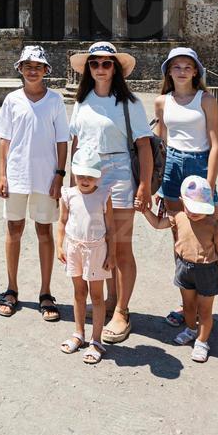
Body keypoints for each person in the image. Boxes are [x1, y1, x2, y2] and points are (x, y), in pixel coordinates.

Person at [151, 47, 218, 351]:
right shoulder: (161, 102)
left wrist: (208, 186)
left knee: (214, 242)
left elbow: (216, 144)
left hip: (198, 166)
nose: (182, 71)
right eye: (176, 67)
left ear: (196, 71)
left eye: (187, 66)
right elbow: (160, 145)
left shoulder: (207, 100)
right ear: (168, 71)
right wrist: (158, 185)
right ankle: (190, 308)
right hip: (172, 169)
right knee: (182, 242)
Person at [67, 41, 153, 345]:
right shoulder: (82, 101)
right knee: (97, 245)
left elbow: (143, 145)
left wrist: (143, 185)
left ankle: (121, 309)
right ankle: (110, 299)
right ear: (88, 69)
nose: (100, 68)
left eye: (106, 63)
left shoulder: (129, 103)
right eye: (95, 63)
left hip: (118, 175)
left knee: (121, 247)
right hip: (88, 177)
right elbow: (75, 145)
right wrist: (70, 186)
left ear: (115, 68)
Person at [0, 45, 70, 321]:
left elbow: (62, 140)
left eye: (38, 66)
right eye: (28, 65)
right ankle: (11, 288)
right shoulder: (12, 100)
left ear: (46, 70)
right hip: (17, 174)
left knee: (44, 232)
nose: (33, 70)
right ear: (20, 69)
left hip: (46, 176)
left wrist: (60, 175)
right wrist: (2, 174)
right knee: (14, 230)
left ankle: (46, 292)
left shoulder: (55, 101)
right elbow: (4, 139)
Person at [140, 174, 218, 363]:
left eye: (199, 209)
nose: (194, 214)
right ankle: (192, 329)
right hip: (184, 268)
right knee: (188, 306)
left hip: (208, 270)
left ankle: (202, 341)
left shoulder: (213, 224)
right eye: (191, 208)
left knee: (205, 310)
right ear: (182, 201)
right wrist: (145, 211)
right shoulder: (178, 217)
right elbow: (158, 224)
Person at [56, 154, 114, 364]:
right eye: (81, 175)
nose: (85, 180)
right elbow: (62, 221)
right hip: (74, 248)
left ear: (98, 177)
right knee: (79, 292)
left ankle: (96, 341)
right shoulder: (68, 194)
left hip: (97, 250)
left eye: (90, 176)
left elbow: (111, 229)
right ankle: (78, 333)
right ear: (75, 173)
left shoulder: (104, 196)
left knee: (97, 296)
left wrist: (112, 254)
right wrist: (59, 244)